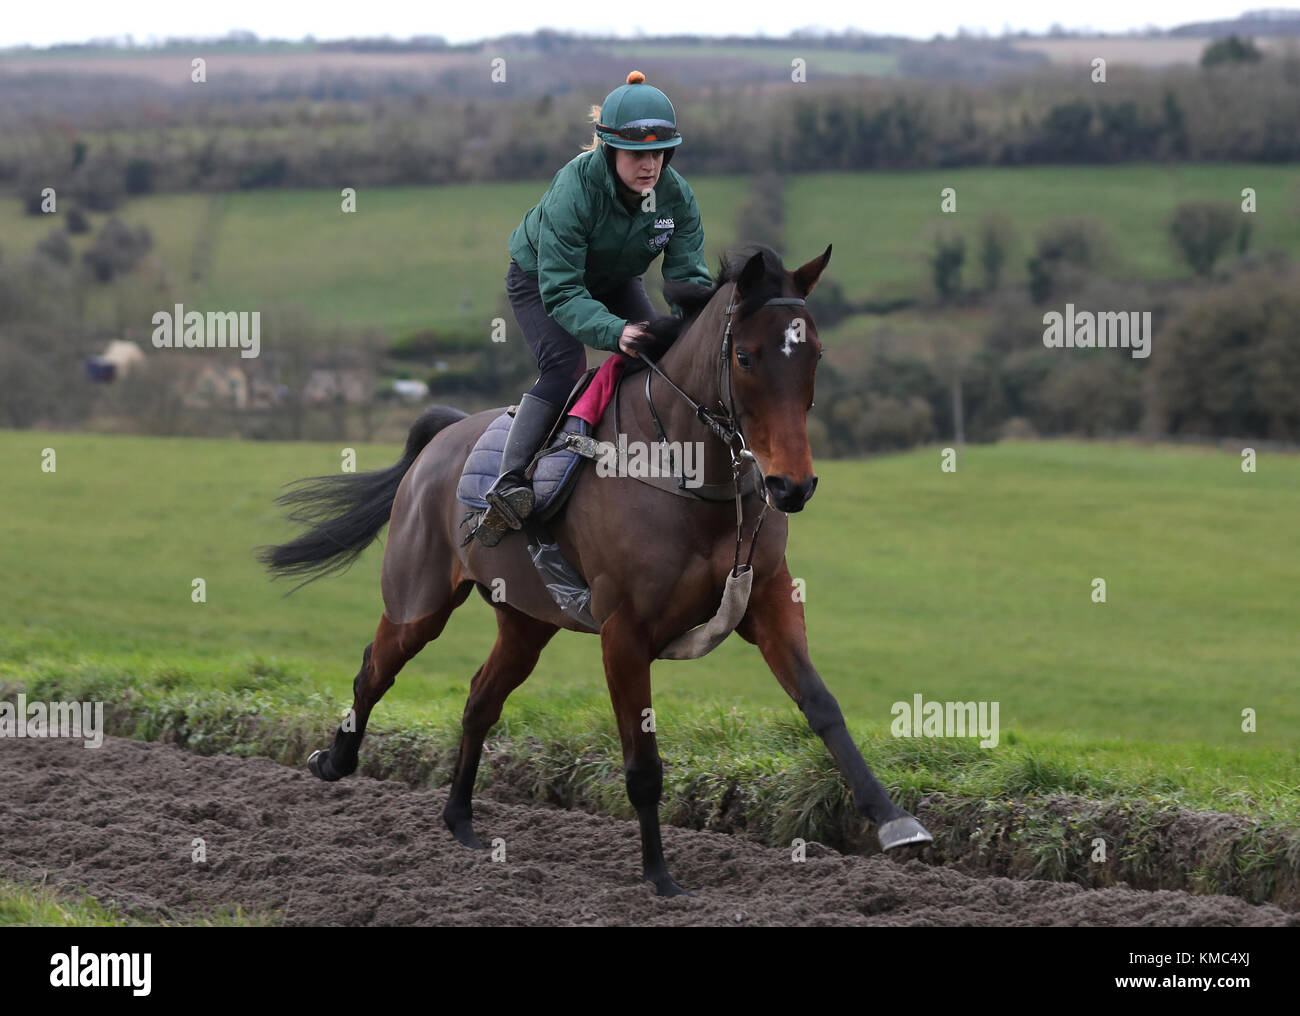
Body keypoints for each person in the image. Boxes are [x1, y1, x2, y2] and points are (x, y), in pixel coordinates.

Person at [474, 70, 715, 546]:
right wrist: (614, 331)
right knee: (565, 367)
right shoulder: (574, 189)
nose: (650, 165)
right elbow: (562, 292)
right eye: (637, 154)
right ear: (608, 150)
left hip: (614, 278)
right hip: (541, 279)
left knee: (657, 356)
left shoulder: (676, 196)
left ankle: (652, 462)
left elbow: (687, 280)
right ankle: (509, 483)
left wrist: (700, 331)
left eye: (660, 153)